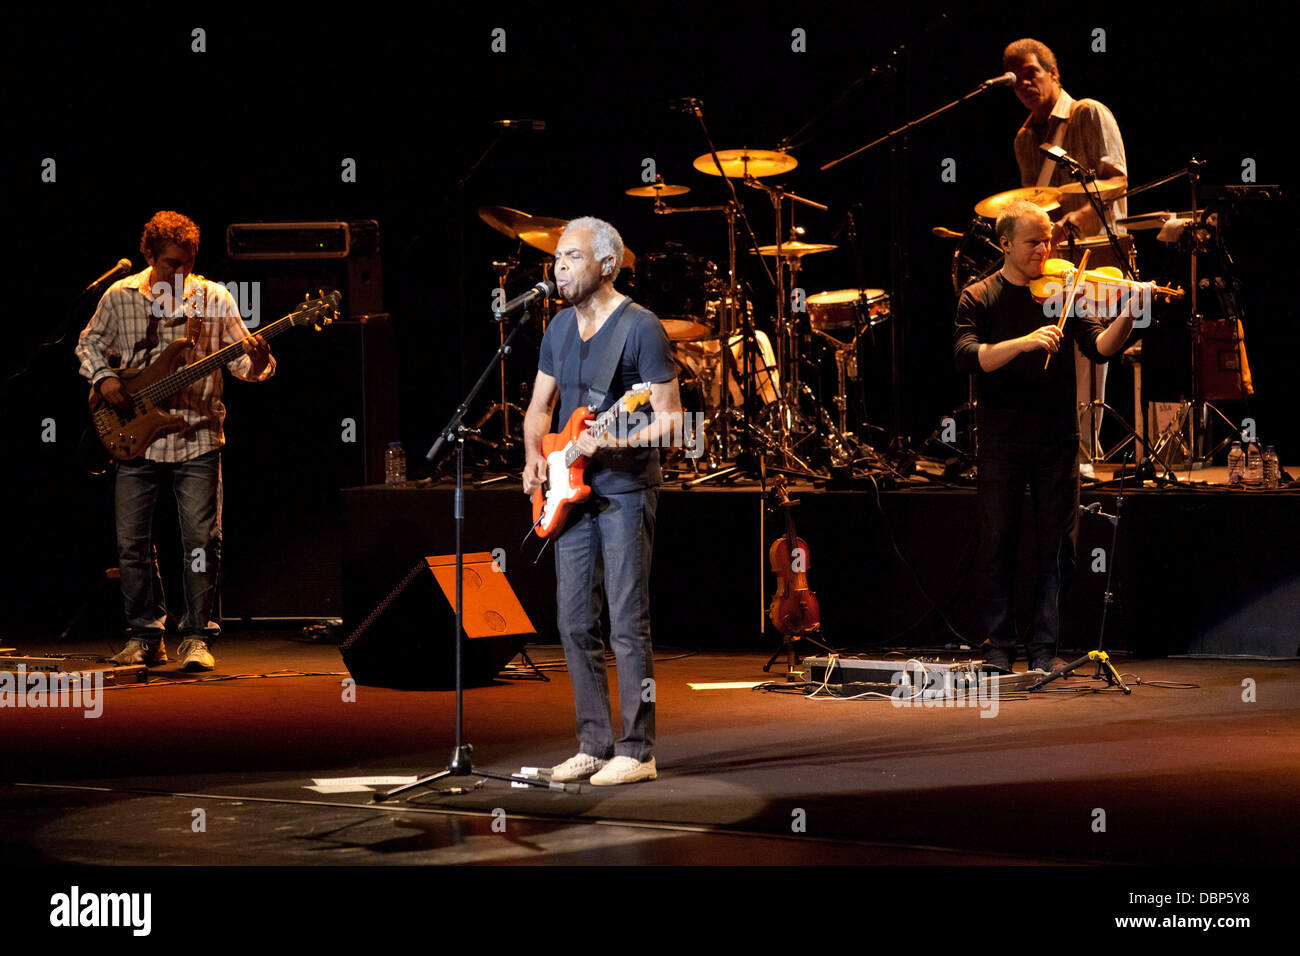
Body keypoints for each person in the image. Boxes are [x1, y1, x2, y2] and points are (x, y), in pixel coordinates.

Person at [76, 211, 274, 671]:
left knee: (202, 539)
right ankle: (145, 634)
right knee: (131, 543)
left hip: (198, 435)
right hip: (134, 435)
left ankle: (197, 637)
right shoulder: (119, 295)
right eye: (170, 264)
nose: (180, 273)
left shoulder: (214, 298)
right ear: (148, 255)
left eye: (186, 263)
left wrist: (260, 359)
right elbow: (87, 344)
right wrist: (104, 378)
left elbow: (243, 365)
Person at [522, 216, 680, 786]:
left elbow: (669, 421)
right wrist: (534, 456)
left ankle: (638, 751)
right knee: (571, 620)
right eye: (557, 257)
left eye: (572, 257)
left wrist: (616, 438)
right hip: (571, 487)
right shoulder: (558, 328)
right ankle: (594, 742)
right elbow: (539, 407)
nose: (559, 266)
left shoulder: (641, 328)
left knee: (626, 621)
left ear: (607, 265)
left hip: (624, 488)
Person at [954, 200, 1139, 673]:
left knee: (1059, 551)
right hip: (1000, 442)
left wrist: (1132, 314)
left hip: (1057, 439)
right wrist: (1024, 342)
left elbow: (1099, 350)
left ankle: (1044, 650)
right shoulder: (979, 296)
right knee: (998, 545)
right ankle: (998, 648)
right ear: (1006, 244)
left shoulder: (1065, 293)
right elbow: (968, 357)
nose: (1046, 249)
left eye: (1049, 240)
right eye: (1034, 241)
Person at [1004, 37, 1128, 477]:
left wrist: (1074, 218)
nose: (1024, 85)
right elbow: (1032, 203)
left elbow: (1118, 180)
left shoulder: (1087, 113)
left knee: (1086, 357)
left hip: (1097, 256)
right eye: (1015, 81)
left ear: (1053, 73)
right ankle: (1048, 455)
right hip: (1051, 264)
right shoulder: (1024, 138)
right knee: (1046, 355)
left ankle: (1084, 459)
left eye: (1031, 75)